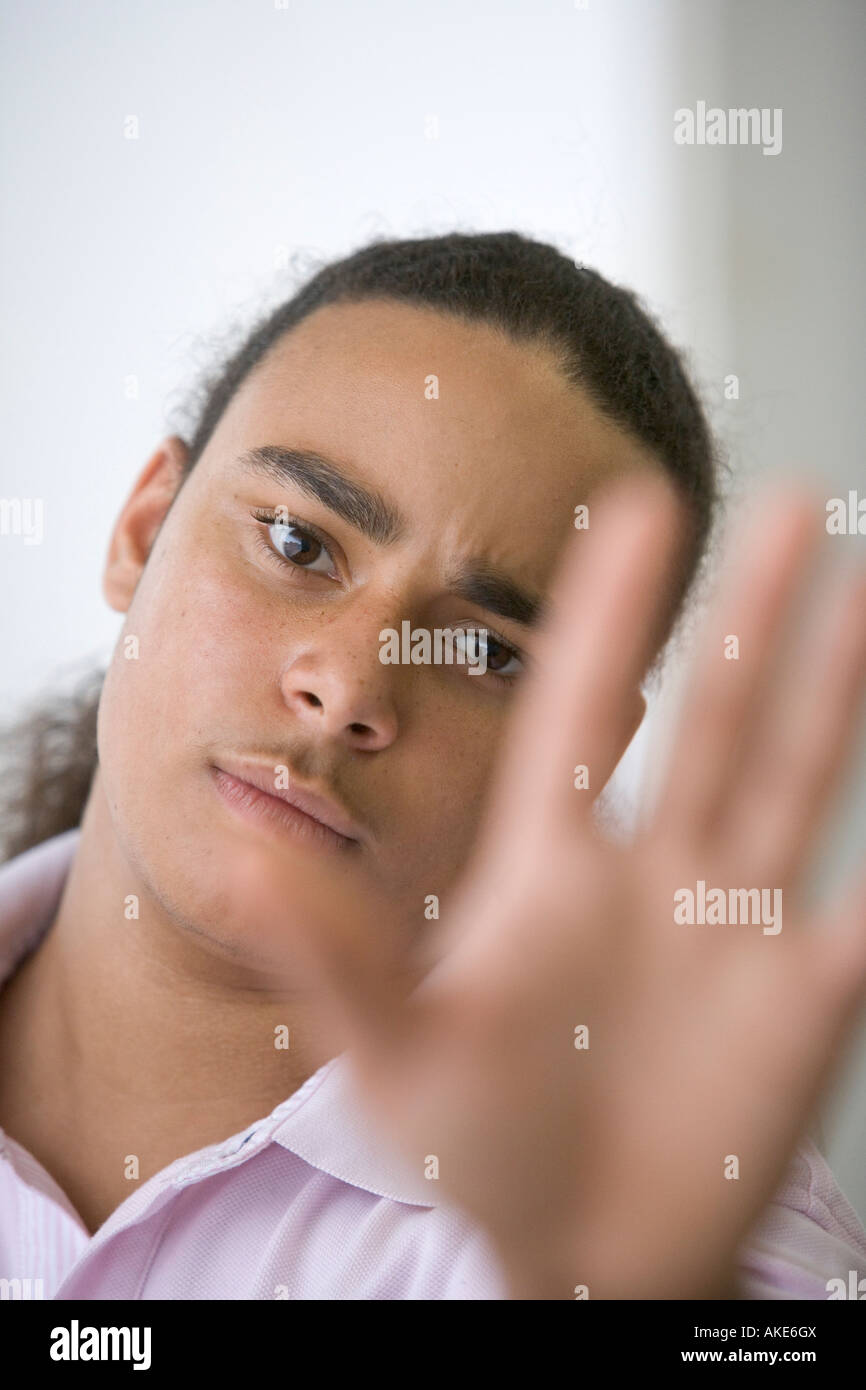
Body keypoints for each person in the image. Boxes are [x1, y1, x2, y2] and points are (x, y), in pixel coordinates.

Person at [1, 231, 864, 1301]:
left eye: (484, 650)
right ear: (141, 530)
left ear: (583, 754)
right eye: (297, 542)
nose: (352, 687)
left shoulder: (673, 1213)